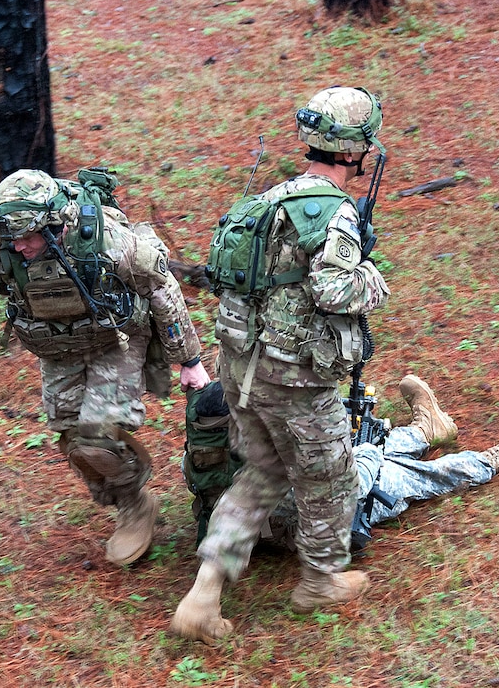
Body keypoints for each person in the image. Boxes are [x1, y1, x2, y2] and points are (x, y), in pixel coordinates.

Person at [170, 86, 391, 645]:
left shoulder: (266, 201)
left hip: (240, 370)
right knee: (331, 476)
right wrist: (374, 279)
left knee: (262, 473)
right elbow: (335, 289)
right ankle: (319, 579)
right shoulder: (333, 212)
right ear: (354, 151)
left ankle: (204, 591)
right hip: (293, 377)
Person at [0, 167, 210, 565]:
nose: (20, 246)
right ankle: (132, 501)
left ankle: (132, 506)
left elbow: (161, 286)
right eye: (13, 239)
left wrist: (189, 360)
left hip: (118, 337)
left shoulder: (108, 241)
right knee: (75, 443)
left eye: (30, 237)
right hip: (56, 344)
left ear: (55, 224)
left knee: (97, 435)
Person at [182, 377, 499, 556]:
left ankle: (427, 429)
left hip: (287, 508)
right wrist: (364, 450)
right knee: (409, 473)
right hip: (330, 513)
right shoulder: (265, 480)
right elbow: (350, 485)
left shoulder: (200, 456)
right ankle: (492, 460)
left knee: (367, 447)